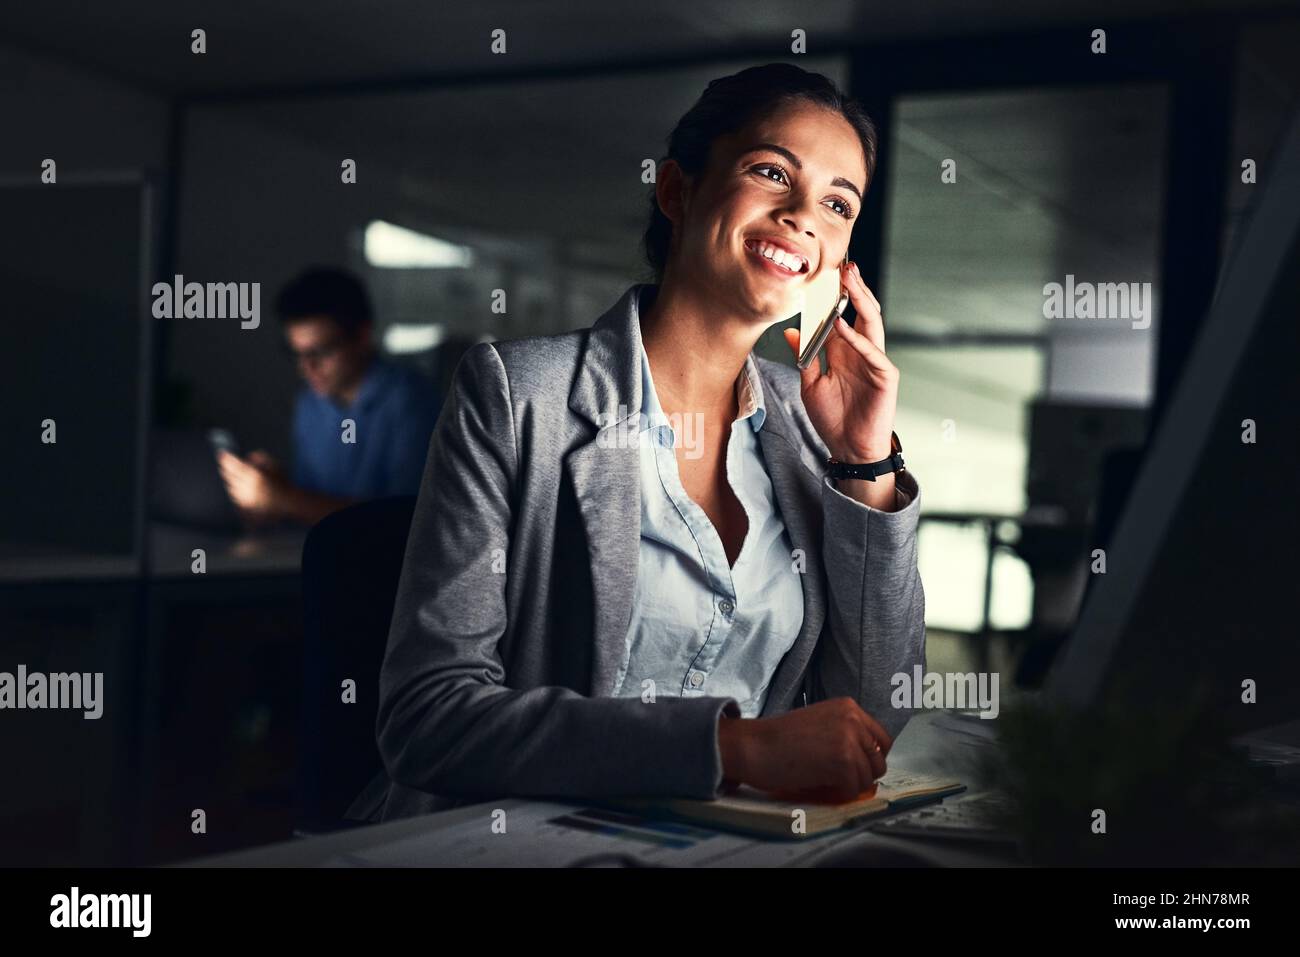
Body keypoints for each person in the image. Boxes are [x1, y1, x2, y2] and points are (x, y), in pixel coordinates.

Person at [350, 63, 925, 823]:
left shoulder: (813, 428)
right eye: (769, 171)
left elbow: (883, 715)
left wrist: (864, 457)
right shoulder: (519, 394)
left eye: (837, 202)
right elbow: (428, 719)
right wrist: (734, 748)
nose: (802, 216)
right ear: (677, 191)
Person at [217, 267, 442, 528]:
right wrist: (275, 490)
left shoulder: (411, 401)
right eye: (298, 354)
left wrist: (285, 499)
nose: (306, 368)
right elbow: (312, 502)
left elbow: (404, 520)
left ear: (362, 336)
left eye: (320, 351)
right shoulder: (310, 404)